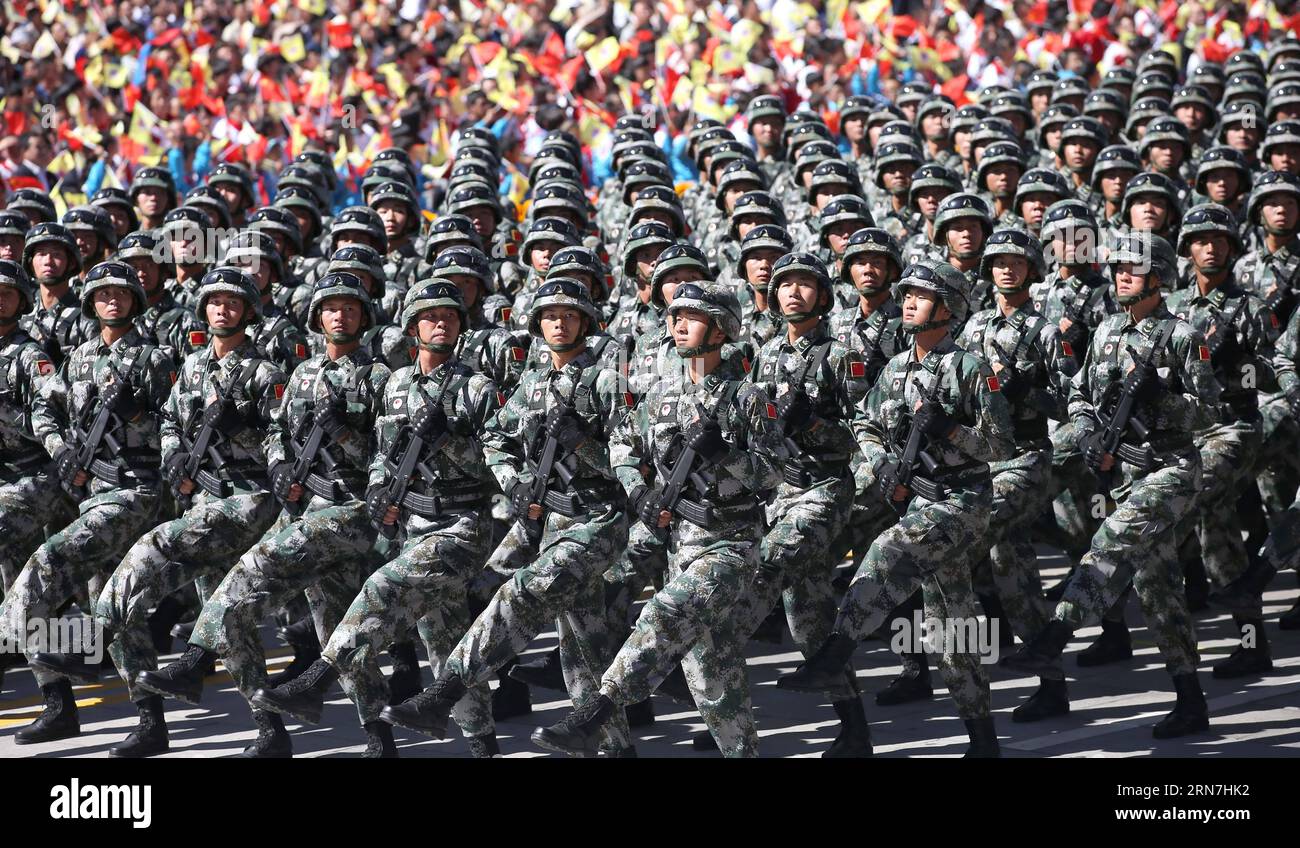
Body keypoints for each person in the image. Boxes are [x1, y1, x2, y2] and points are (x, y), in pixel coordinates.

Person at [777, 258, 1014, 758]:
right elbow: (865, 424)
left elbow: (1000, 446)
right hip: (920, 501)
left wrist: (950, 431)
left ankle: (835, 651)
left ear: (948, 308)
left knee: (887, 548)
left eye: (921, 295)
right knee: (953, 624)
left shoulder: (971, 368)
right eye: (905, 294)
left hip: (963, 500)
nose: (907, 302)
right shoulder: (896, 369)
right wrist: (884, 465)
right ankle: (983, 738)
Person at [1001, 231, 1223, 740]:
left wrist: (1163, 400)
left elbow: (1212, 411)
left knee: (1111, 539)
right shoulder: (1105, 333)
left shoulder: (1183, 337)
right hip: (1125, 473)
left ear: (1159, 276)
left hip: (1170, 470)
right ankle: (1191, 699)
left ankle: (1057, 632)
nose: (1123, 275)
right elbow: (1076, 396)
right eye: (1118, 266)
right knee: (1157, 587)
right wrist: (1088, 437)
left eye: (1134, 268)